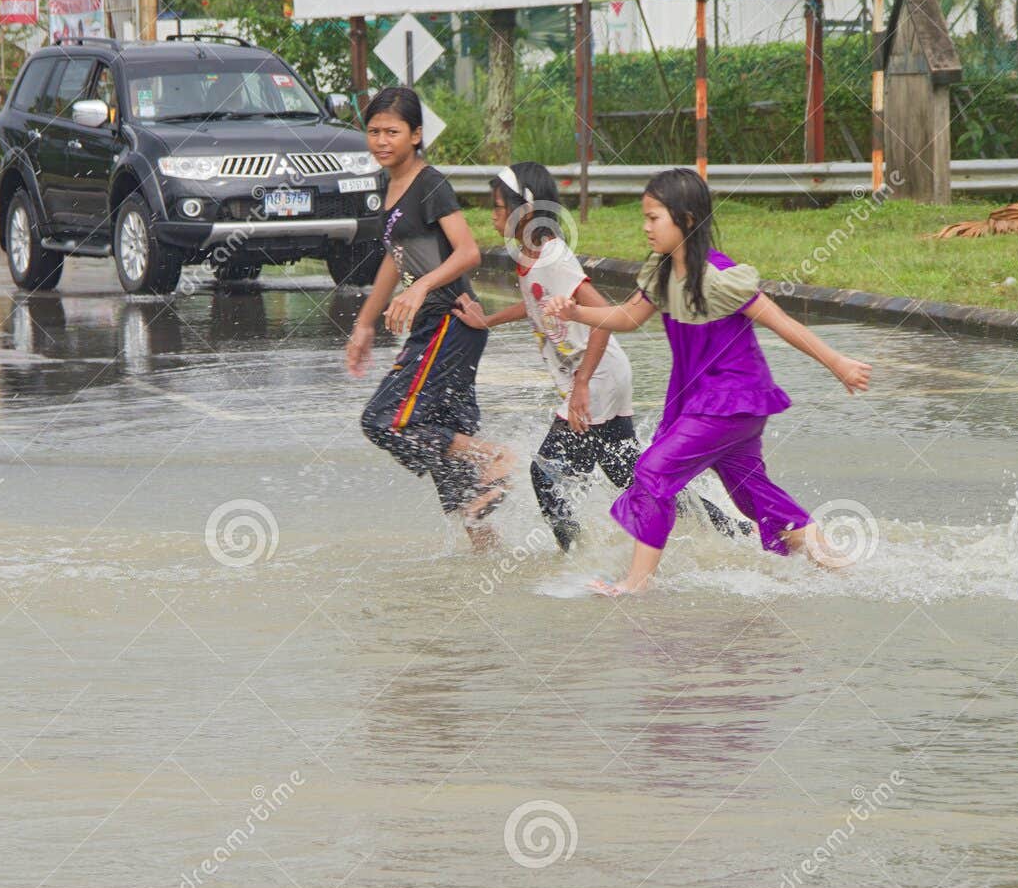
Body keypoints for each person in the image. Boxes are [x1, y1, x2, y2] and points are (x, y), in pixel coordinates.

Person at [543, 168, 872, 595]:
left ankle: (636, 584)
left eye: (653, 217)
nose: (645, 227)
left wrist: (837, 362)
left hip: (729, 400)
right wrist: (574, 313)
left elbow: (782, 322)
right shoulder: (662, 272)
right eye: (644, 217)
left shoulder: (719, 277)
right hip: (710, 404)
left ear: (686, 217)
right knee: (753, 497)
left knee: (652, 471)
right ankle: (844, 570)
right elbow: (625, 317)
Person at [456, 163, 750, 553]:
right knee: (631, 475)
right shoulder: (528, 259)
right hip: (601, 375)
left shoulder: (553, 257)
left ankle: (577, 557)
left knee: (545, 475)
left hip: (596, 378)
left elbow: (604, 317)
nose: (491, 216)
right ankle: (730, 529)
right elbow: (536, 304)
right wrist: (488, 320)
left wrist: (580, 385)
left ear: (524, 211)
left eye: (496, 207)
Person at [346, 86, 513, 547]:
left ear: (416, 135)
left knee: (384, 420)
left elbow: (468, 253)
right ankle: (489, 557)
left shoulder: (430, 184)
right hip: (440, 327)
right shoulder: (389, 185)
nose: (381, 140)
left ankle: (497, 456)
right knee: (449, 463)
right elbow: (392, 258)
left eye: (392, 132)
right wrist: (364, 323)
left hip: (449, 322)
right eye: (374, 131)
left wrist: (420, 287)